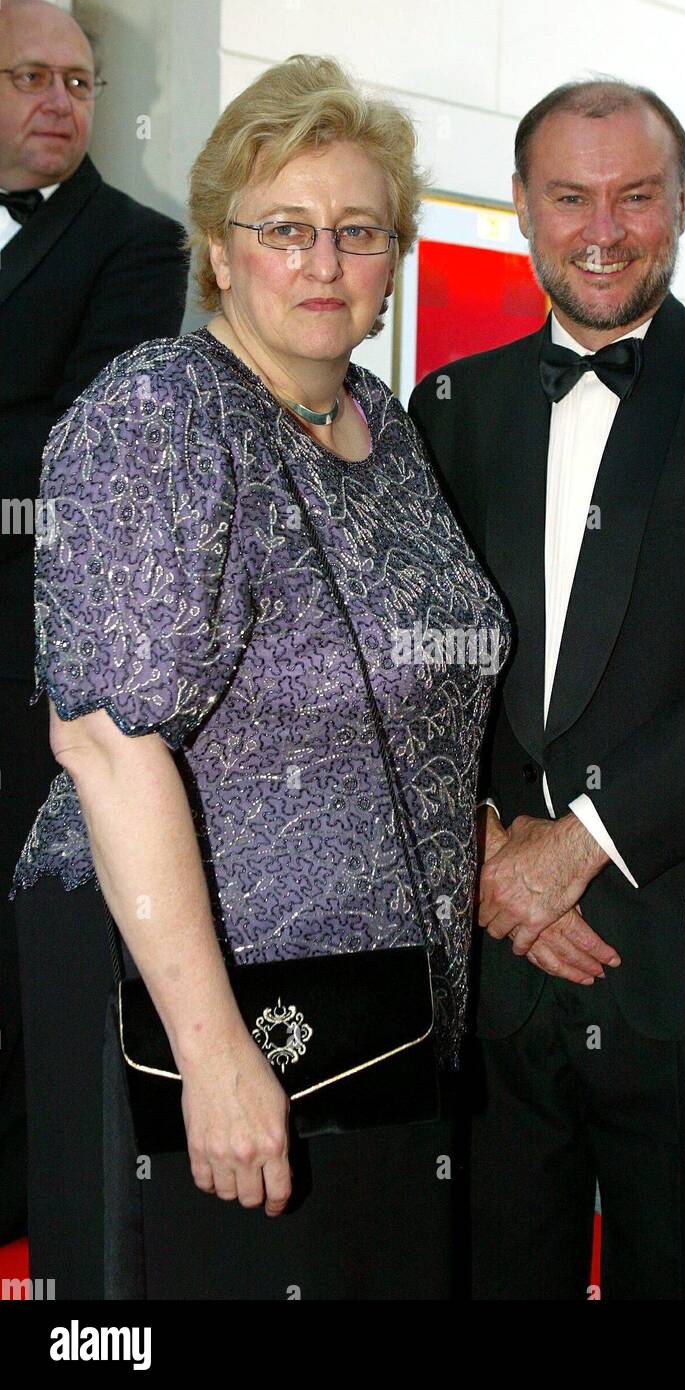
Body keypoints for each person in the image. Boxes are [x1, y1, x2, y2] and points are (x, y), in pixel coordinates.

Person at [8, 52, 510, 1300]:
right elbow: (103, 739)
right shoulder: (162, 413)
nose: (324, 261)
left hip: (379, 1016)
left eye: (359, 229)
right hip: (198, 1014)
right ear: (220, 254)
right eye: (285, 227)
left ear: (394, 257)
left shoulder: (382, 421)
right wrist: (215, 1051)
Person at [409, 78, 685, 1300]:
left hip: (683, 949)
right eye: (570, 196)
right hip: (493, 947)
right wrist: (491, 854)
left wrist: (577, 847)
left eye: (636, 195)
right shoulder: (447, 405)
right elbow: (418, 674)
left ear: (683, 202)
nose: (602, 230)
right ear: (522, 205)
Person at [0, 0, 187, 1248]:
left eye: (79, 79)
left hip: (27, 662)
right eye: (30, 75)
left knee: (21, 939)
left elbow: (71, 446)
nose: (61, 100)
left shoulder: (137, 243)